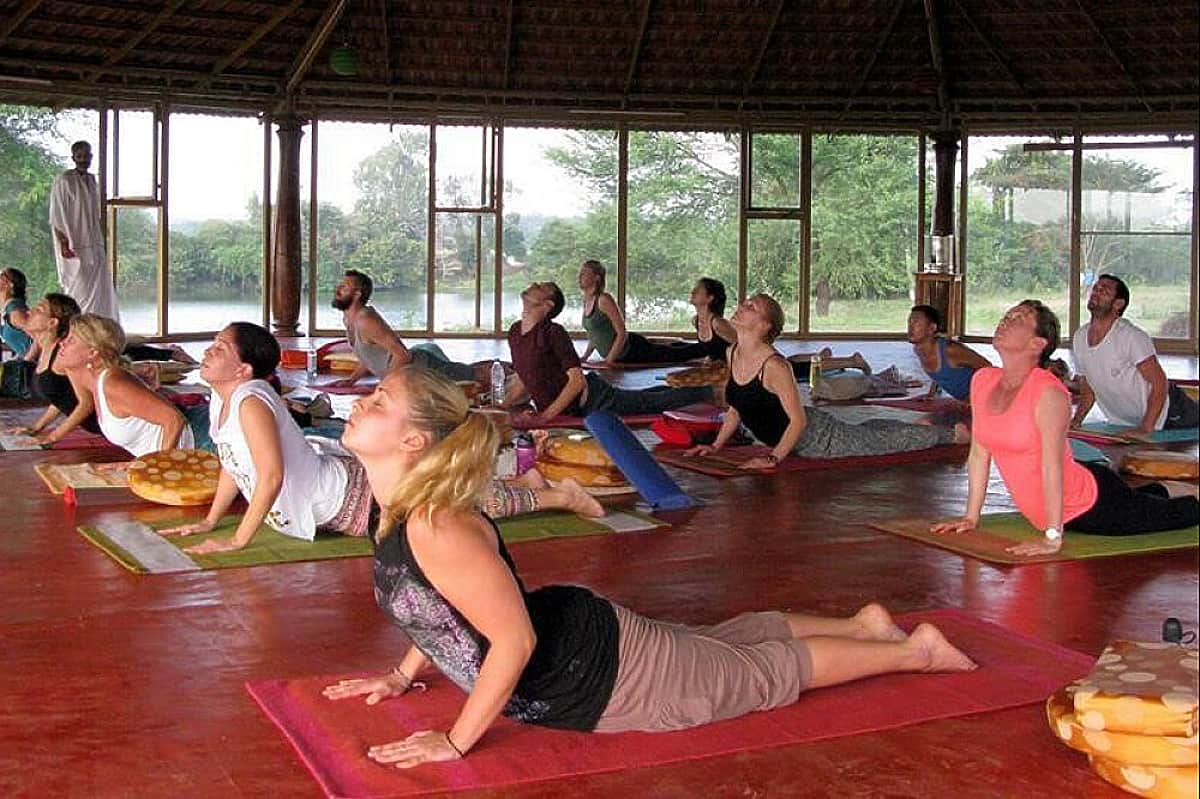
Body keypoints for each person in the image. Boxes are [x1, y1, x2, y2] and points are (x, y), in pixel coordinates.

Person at [321, 365, 976, 766]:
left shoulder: (435, 523)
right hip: (579, 639)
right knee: (725, 640)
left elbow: (512, 641)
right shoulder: (401, 507)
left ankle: (912, 651)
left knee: (754, 674)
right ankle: (863, 626)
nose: (360, 402)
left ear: (413, 441)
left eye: (377, 398)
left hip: (602, 673)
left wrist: (458, 740)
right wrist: (403, 674)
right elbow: (436, 608)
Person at [933, 301, 1198, 558]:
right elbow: (980, 453)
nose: (1006, 320)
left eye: (1019, 318)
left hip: (1089, 505)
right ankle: (1168, 487)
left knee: (1176, 515)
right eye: (1008, 315)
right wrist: (970, 517)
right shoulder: (983, 381)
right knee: (1141, 500)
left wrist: (1052, 536)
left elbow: (1052, 464)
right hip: (1076, 488)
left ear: (1038, 343)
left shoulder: (1047, 392)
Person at [685, 294, 966, 470]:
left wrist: (772, 459)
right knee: (871, 432)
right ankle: (900, 427)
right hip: (795, 437)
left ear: (764, 325)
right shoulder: (732, 352)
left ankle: (952, 434)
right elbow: (736, 409)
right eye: (745, 303)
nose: (741, 307)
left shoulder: (775, 365)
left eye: (751, 307)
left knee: (884, 442)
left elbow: (798, 422)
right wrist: (716, 446)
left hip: (817, 440)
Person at [505, 282, 713, 424]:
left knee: (651, 403)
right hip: (569, 406)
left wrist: (545, 416)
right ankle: (673, 389)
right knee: (644, 397)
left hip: (594, 399)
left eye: (541, 286)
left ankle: (710, 392)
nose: (534, 285)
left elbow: (576, 382)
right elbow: (525, 377)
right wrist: (501, 405)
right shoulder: (515, 332)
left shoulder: (553, 332)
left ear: (547, 305)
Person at [1072, 274, 1198, 435]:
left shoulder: (1130, 336)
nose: (1097, 291)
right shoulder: (1079, 337)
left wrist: (1145, 428)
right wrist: (1077, 420)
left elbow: (1160, 383)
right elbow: (1089, 387)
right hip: (1126, 422)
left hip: (1172, 410)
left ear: (1118, 304)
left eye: (1105, 290)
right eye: (1096, 288)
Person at [51, 313, 193, 457]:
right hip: (171, 454)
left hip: (196, 445)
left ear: (93, 352)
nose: (62, 343)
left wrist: (156, 466)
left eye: (71, 340)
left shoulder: (112, 384)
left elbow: (174, 419)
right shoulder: (96, 379)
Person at [329, 270, 484, 387]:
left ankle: (504, 369)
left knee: (476, 376)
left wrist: (385, 386)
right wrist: (352, 380)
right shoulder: (348, 319)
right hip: (410, 376)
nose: (338, 289)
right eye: (340, 285)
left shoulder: (366, 320)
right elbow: (368, 356)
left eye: (344, 286)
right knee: (470, 372)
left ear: (357, 294)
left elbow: (403, 354)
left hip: (422, 369)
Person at [1, 293, 101, 444]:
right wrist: (36, 428)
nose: (30, 311)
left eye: (39, 310)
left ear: (52, 323)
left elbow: (86, 402)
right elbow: (62, 396)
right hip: (95, 427)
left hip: (104, 425)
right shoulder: (47, 349)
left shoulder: (63, 355)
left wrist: (52, 437)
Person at [578, 260, 707, 366]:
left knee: (674, 355)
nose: (579, 276)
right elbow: (595, 334)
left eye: (584, 273)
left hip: (632, 349)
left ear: (596, 278)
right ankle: (699, 347)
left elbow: (622, 332)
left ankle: (710, 348)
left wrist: (608, 361)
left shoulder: (604, 299)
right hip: (622, 354)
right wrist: (585, 356)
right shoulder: (587, 300)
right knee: (671, 350)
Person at [48, 141, 120, 320]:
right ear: (73, 158)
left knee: (100, 290)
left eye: (87, 156)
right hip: (74, 243)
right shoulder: (64, 180)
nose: (84, 160)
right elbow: (56, 214)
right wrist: (63, 242)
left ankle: (101, 329)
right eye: (80, 156)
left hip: (93, 243)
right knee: (78, 288)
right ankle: (77, 328)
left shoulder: (91, 179)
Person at [907, 304, 991, 401]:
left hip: (984, 400)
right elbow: (938, 375)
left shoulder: (951, 350)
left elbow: (988, 366)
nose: (910, 327)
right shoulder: (919, 349)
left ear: (932, 328)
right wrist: (931, 393)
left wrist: (976, 400)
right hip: (963, 402)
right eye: (909, 322)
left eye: (916, 323)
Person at [689, 277, 737, 362]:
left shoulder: (718, 323)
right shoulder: (695, 321)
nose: (692, 292)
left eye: (698, 290)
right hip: (715, 370)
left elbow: (745, 347)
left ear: (710, 298)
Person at [1, 268, 34, 360]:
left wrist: (27, 361)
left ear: (10, 285)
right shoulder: (7, 309)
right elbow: (19, 341)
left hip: (39, 366)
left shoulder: (15, 311)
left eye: (2, 275)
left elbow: (39, 338)